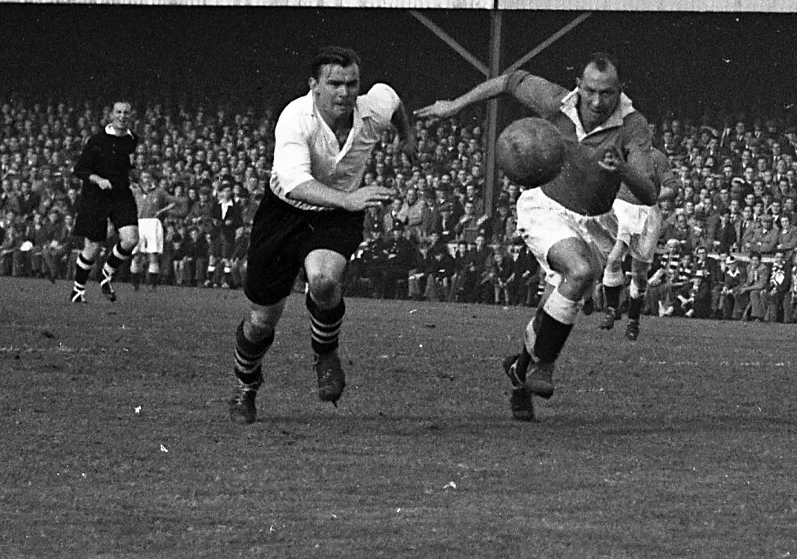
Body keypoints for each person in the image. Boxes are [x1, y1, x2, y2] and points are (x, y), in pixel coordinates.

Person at [417, 53, 658, 422]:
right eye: (590, 91)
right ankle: (543, 366)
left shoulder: (632, 126)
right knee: (579, 273)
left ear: (619, 90)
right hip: (545, 206)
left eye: (606, 93)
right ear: (578, 85)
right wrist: (456, 105)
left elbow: (650, 193)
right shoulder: (555, 100)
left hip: (595, 222)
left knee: (552, 306)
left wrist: (623, 168)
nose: (596, 102)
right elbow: (509, 81)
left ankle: (519, 371)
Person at [227, 46, 412, 425]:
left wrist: (407, 137)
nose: (345, 93)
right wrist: (348, 198)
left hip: (334, 216)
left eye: (351, 84)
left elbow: (393, 100)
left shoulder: (371, 110)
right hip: (283, 213)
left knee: (324, 280)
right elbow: (295, 183)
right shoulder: (296, 118)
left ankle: (325, 354)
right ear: (314, 86)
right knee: (262, 320)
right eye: (334, 84)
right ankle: (246, 386)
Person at [598, 136, 675, 341]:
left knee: (639, 273)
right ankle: (612, 309)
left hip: (648, 214)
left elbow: (672, 187)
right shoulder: (620, 157)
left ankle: (633, 321)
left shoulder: (657, 157)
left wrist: (649, 195)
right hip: (623, 209)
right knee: (613, 258)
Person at [69, 100, 141, 304]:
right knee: (92, 247)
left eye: (126, 113)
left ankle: (106, 274)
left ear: (131, 116)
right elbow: (80, 169)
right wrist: (98, 180)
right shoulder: (97, 140)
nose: (122, 116)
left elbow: (125, 165)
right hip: (96, 195)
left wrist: (133, 178)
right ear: (111, 114)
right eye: (118, 112)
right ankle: (78, 290)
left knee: (131, 239)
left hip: (120, 194)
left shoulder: (132, 139)